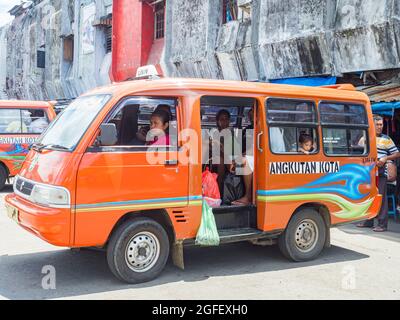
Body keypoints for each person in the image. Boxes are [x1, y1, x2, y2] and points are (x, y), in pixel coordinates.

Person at [357, 115, 400, 232]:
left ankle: (382, 224)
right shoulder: (364, 138)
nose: (380, 127)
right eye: (378, 124)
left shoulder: (386, 139)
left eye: (381, 125)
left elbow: (397, 154)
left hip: (381, 172)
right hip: (367, 173)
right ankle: (368, 220)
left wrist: (385, 158)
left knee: (381, 197)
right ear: (372, 124)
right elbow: (359, 153)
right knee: (368, 196)